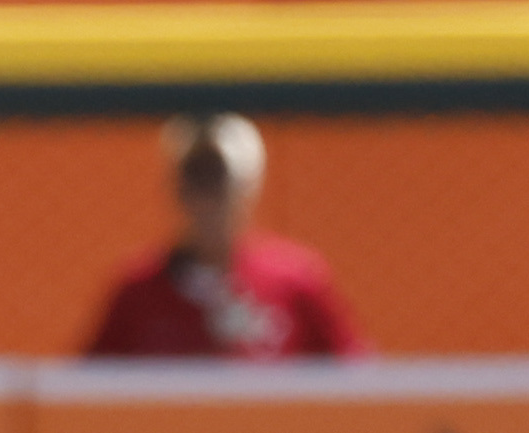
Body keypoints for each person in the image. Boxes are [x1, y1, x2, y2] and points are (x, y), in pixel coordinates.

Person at [85, 115, 366, 359]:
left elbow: (359, 385)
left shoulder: (295, 282)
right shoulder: (138, 291)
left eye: (217, 179)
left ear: (246, 188)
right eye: (195, 178)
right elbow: (84, 393)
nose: (206, 197)